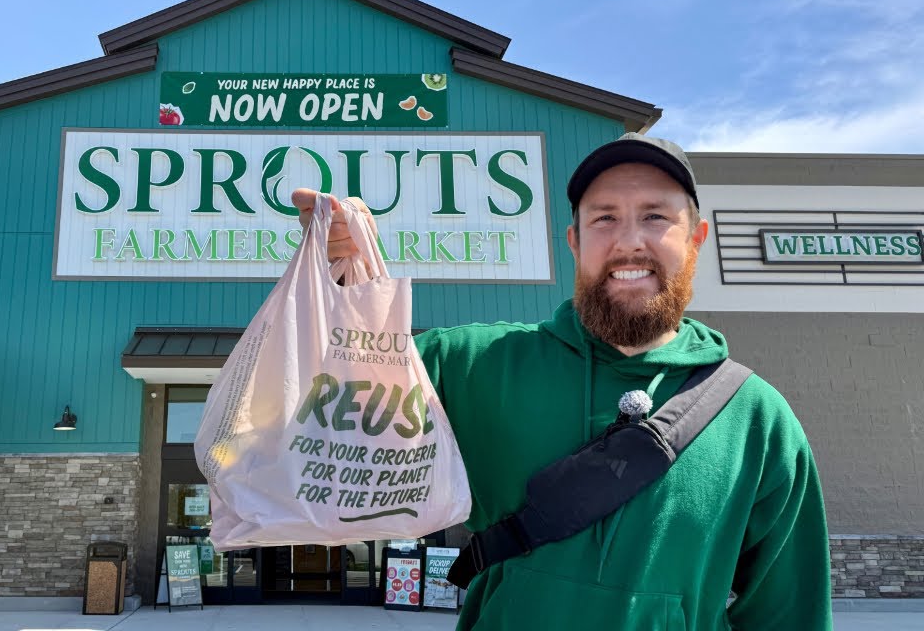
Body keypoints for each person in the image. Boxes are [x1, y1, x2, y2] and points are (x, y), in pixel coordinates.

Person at [292, 133, 832, 630]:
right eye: (604, 218)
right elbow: (329, 397)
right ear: (574, 240)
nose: (629, 242)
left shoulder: (759, 421)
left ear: (696, 239)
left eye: (654, 217)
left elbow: (789, 615)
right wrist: (344, 285)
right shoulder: (477, 364)